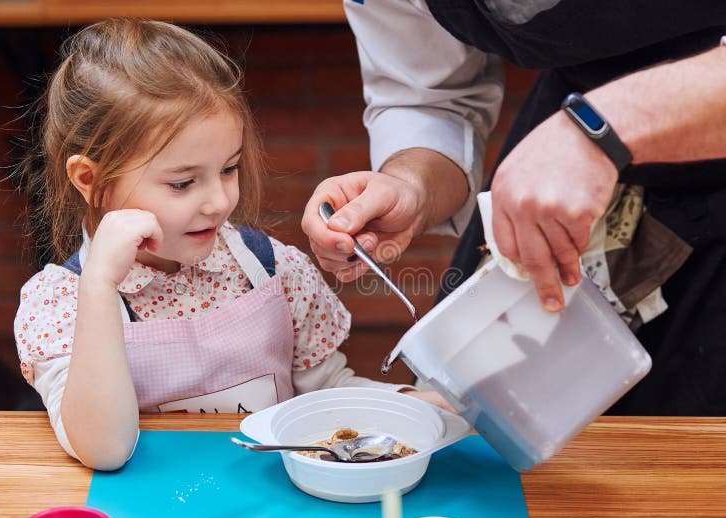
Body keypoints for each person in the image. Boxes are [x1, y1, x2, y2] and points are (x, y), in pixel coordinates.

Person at [12, 19, 450, 471]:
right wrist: (101, 287)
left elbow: (325, 391)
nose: (220, 202)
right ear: (93, 181)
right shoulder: (61, 304)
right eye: (183, 183)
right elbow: (103, 450)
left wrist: (417, 404)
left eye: (229, 169)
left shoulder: (272, 270)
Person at [302, 1, 726, 415]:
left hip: (647, 136)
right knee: (483, 427)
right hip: (570, 146)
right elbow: (433, 98)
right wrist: (409, 184)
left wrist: (597, 131)